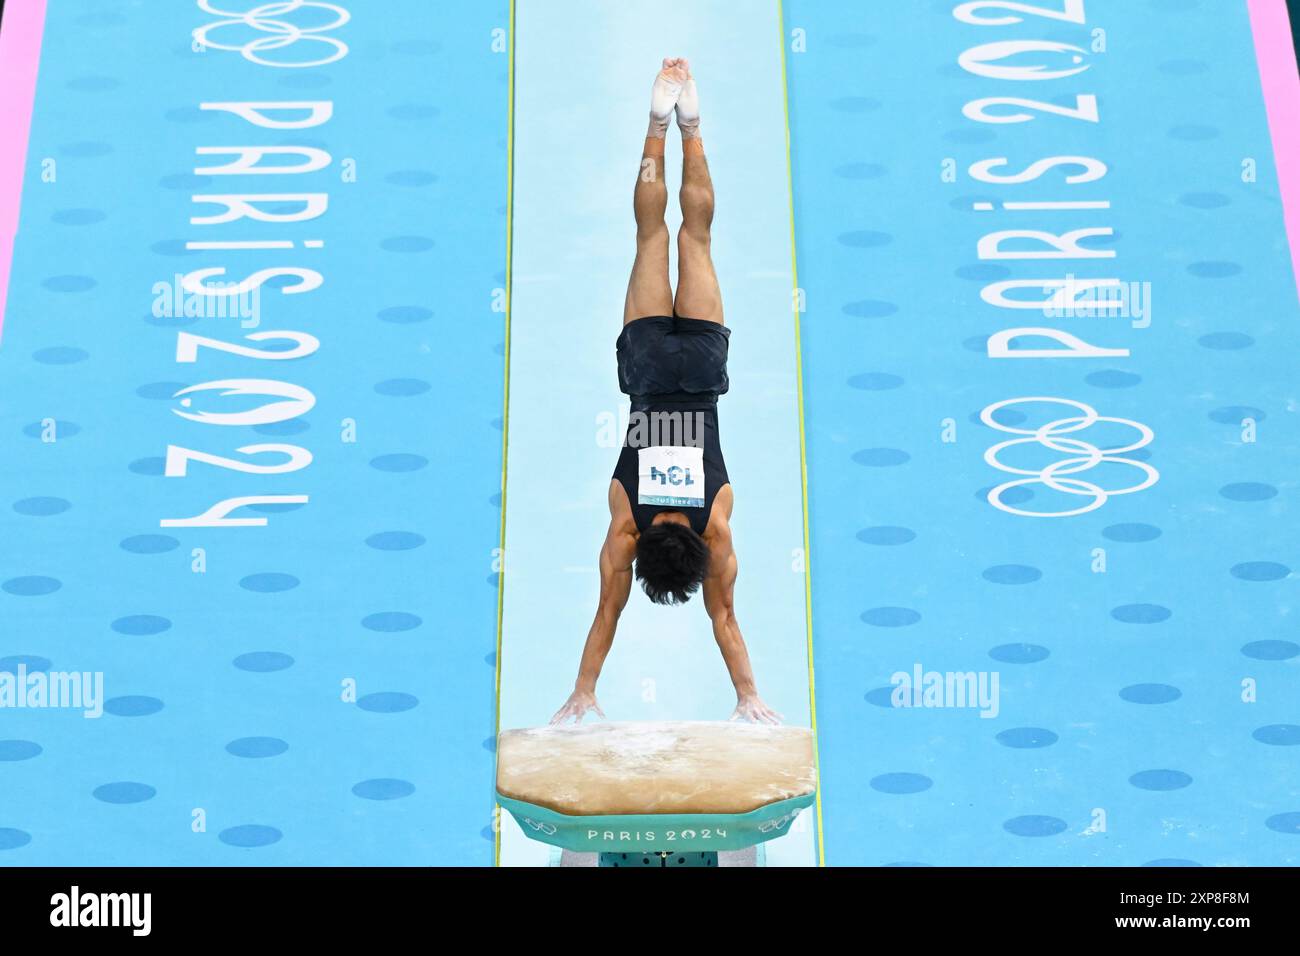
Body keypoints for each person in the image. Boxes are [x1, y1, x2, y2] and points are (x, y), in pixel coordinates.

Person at [551, 59, 780, 727]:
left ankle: (690, 125)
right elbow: (610, 612)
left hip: (702, 371)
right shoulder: (627, 519)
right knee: (655, 235)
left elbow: (725, 617)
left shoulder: (715, 520)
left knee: (692, 236)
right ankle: (661, 124)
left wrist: (748, 695)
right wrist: (583, 689)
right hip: (651, 368)